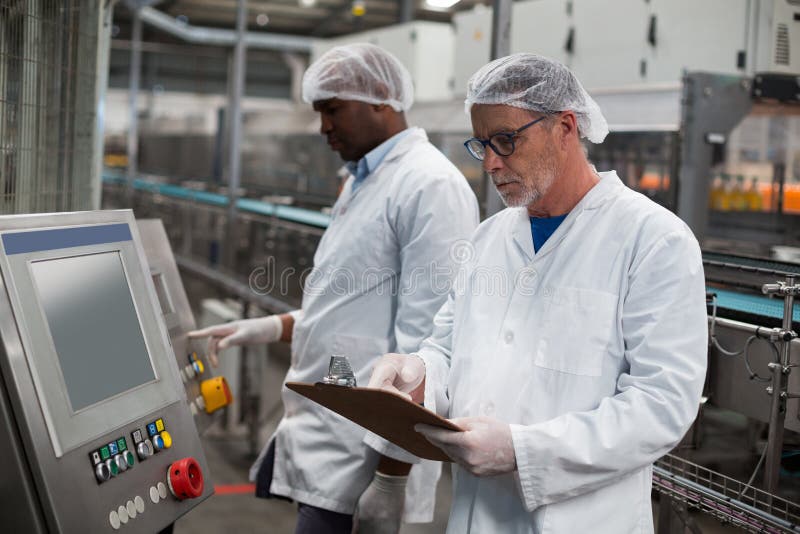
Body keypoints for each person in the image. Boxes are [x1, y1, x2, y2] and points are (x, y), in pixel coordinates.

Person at [367, 53, 708, 533]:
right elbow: (448, 347)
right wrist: (418, 374)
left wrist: (523, 451)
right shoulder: (489, 238)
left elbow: (662, 403)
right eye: (481, 145)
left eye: (506, 140)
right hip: (474, 516)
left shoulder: (653, 240)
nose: (490, 162)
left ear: (564, 128)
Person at [189, 43, 479, 534]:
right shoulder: (360, 181)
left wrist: (391, 477)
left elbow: (427, 346)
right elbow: (349, 306)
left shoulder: (430, 185)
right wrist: (269, 327)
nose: (323, 127)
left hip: (365, 450)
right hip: (326, 427)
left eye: (333, 109)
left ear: (382, 96)